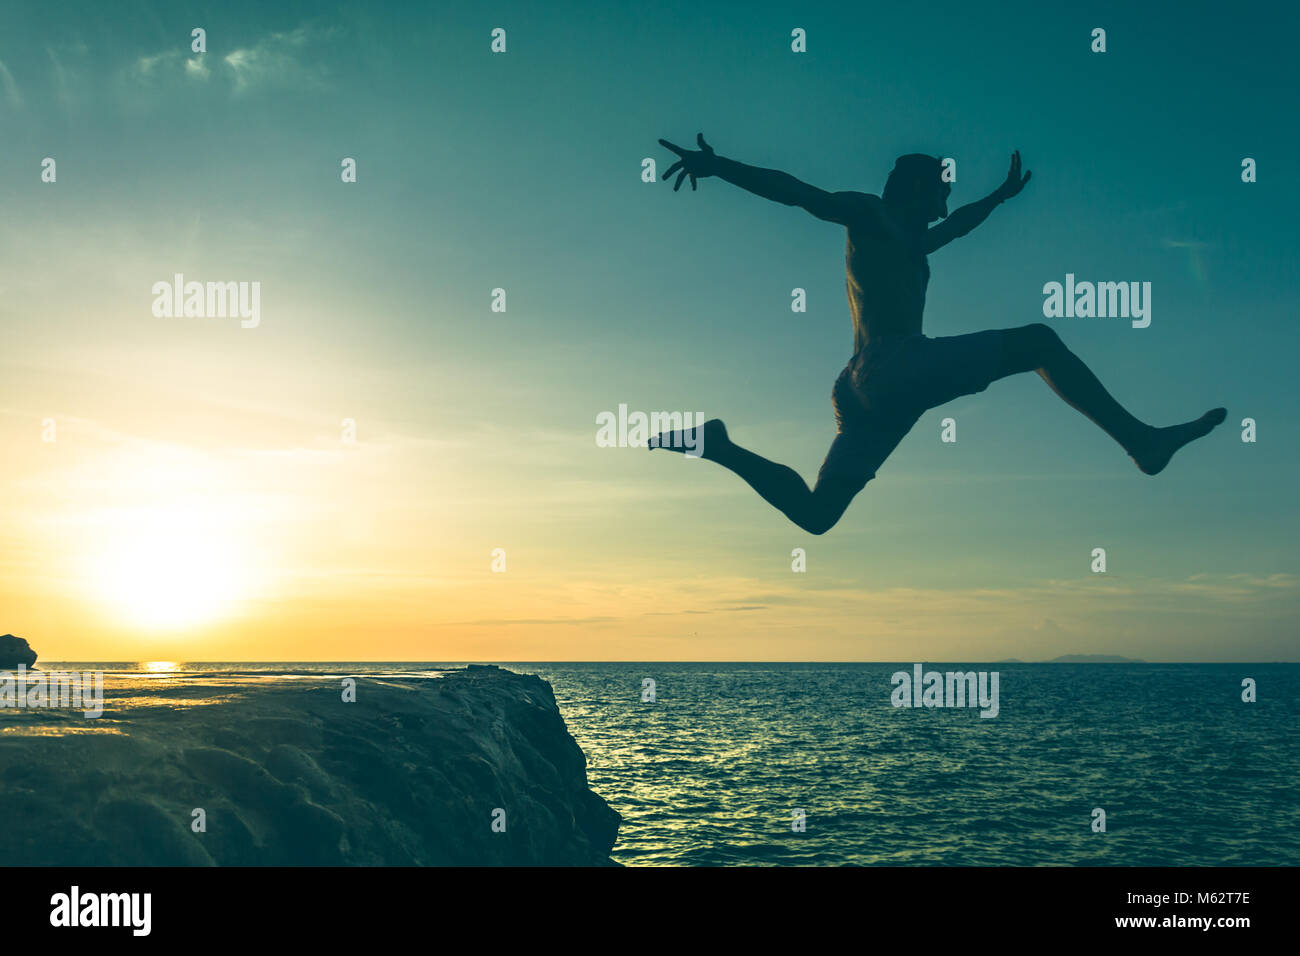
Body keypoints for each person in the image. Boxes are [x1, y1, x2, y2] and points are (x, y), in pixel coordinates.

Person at [648, 134, 1226, 534]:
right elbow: (799, 193)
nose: (946, 201)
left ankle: (719, 445)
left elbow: (958, 224)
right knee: (1040, 341)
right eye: (940, 190)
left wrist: (999, 198)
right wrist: (721, 166)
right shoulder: (871, 214)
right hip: (892, 366)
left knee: (819, 516)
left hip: (860, 390)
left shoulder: (913, 242)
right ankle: (1140, 442)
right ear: (914, 188)